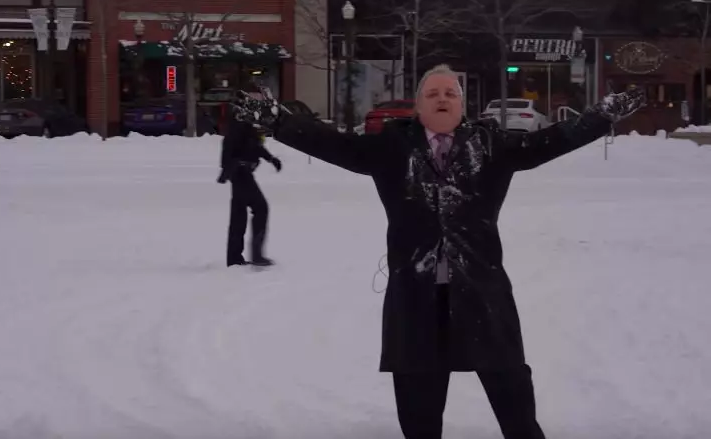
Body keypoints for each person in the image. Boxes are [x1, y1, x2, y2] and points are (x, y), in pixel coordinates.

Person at [231, 65, 645, 438]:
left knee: (516, 407)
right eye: (433, 93)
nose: (443, 98)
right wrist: (278, 121)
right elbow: (334, 144)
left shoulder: (491, 144)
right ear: (418, 106)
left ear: (463, 104)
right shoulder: (392, 146)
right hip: (415, 297)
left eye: (451, 92)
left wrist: (600, 117)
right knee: (419, 416)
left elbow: (548, 142)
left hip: (482, 293)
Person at [217, 112, 282, 267]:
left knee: (239, 216)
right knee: (260, 208)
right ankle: (255, 255)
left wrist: (271, 159)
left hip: (240, 175)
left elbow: (257, 147)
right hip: (241, 175)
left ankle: (234, 258)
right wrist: (237, 166)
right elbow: (229, 156)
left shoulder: (245, 129)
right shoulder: (238, 130)